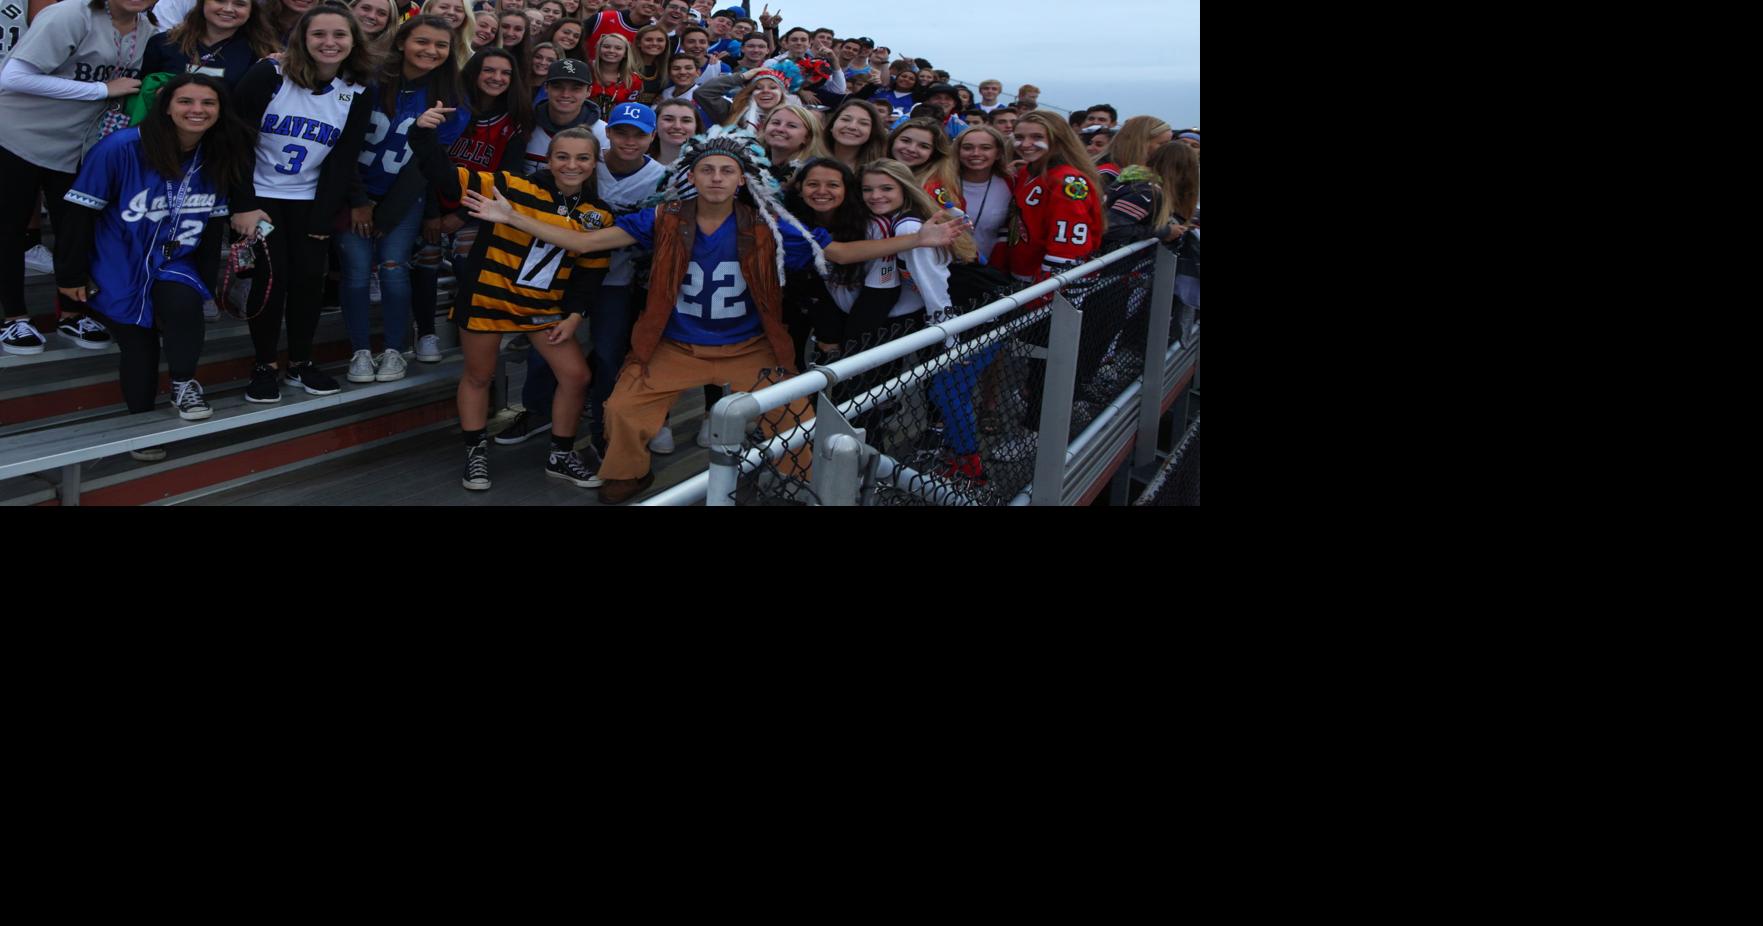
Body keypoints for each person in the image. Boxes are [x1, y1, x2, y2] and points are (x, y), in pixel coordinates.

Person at [462, 126, 970, 502]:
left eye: (727, 170)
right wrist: (511, 216)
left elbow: (835, 252)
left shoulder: (768, 223)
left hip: (749, 346)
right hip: (676, 344)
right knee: (620, 411)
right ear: (690, 175)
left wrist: (918, 239)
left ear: (742, 178)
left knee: (796, 422)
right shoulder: (663, 217)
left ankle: (796, 483)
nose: (717, 177)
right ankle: (631, 475)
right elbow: (583, 242)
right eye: (707, 169)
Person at [54, 73, 250, 448]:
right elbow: (78, 215)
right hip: (118, 260)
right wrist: (70, 274)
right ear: (166, 107)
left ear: (220, 111)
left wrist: (206, 281)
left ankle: (183, 384)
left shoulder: (218, 153)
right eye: (186, 101)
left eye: (208, 103)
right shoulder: (121, 147)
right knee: (139, 344)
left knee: (185, 304)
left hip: (175, 258)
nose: (197, 110)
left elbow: (213, 228)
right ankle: (143, 433)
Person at [426, 123, 610, 491]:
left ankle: (560, 455)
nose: (571, 165)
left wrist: (575, 316)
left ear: (594, 163)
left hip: (542, 305)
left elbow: (588, 275)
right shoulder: (511, 185)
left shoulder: (598, 214)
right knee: (479, 375)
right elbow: (446, 178)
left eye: (582, 158)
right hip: (489, 296)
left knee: (576, 376)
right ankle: (475, 452)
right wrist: (423, 134)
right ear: (548, 159)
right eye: (562, 156)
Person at [227, 4, 375, 402]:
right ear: (302, 39)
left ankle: (300, 362)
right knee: (270, 280)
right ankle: (264, 364)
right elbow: (235, 142)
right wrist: (242, 204)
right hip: (261, 198)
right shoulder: (269, 74)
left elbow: (343, 159)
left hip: (309, 200)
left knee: (309, 282)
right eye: (319, 34)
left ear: (354, 41)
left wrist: (324, 216)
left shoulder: (358, 91)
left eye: (339, 35)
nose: (329, 43)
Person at [0, 0, 159, 355]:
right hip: (16, 136)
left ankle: (72, 314)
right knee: (9, 230)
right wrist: (101, 90)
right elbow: (12, 77)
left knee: (75, 230)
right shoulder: (71, 14)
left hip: (76, 147)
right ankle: (14, 318)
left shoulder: (147, 28)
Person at [338, 14, 469, 385]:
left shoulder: (452, 98)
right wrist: (359, 201)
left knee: (394, 270)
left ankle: (395, 349)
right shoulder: (369, 82)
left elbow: (424, 166)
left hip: (405, 198)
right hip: (354, 193)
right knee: (356, 273)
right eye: (422, 41)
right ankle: (360, 351)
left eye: (441, 45)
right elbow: (343, 148)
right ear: (401, 42)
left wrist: (388, 213)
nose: (431, 50)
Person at [142, 0, 278, 91]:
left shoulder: (261, 53)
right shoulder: (163, 43)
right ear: (202, 3)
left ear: (251, 11)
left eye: (239, 4)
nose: (228, 9)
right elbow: (145, 89)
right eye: (220, 0)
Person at [525, 56, 602, 172]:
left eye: (575, 88)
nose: (565, 94)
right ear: (546, 87)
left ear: (589, 91)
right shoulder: (525, 125)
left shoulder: (602, 134)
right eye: (557, 87)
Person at [953, 125, 1011, 260]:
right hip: (946, 265)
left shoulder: (1011, 184)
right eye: (967, 148)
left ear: (998, 153)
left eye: (985, 148)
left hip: (990, 266)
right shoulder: (941, 182)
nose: (975, 153)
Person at [695, 63, 792, 132]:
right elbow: (703, 93)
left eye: (773, 87)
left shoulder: (793, 118)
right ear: (751, 92)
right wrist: (742, 77)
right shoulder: (734, 111)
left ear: (783, 93)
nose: (765, 91)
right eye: (758, 88)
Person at [758, 101, 825, 185]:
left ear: (807, 138)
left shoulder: (814, 171)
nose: (780, 129)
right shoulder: (750, 160)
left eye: (791, 126)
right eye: (776, 123)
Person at [823, 97, 887, 172]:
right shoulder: (812, 160)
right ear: (832, 125)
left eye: (863, 123)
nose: (852, 127)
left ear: (872, 132)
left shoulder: (881, 171)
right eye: (845, 119)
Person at [586, 31, 641, 114]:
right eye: (606, 47)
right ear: (599, 50)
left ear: (625, 54)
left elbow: (630, 109)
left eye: (618, 48)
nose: (611, 51)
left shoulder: (634, 80)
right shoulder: (586, 71)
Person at [422, 0, 477, 67]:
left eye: (458, 10)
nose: (451, 12)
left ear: (465, 17)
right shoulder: (411, 38)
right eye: (443, 7)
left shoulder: (470, 56)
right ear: (429, 9)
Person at [647, 95, 700, 164]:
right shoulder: (638, 164)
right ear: (655, 124)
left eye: (686, 120)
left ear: (696, 126)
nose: (677, 126)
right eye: (668, 119)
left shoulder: (706, 165)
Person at [629, 22, 666, 99]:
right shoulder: (625, 65)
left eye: (660, 40)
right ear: (638, 43)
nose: (654, 43)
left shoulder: (665, 68)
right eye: (648, 40)